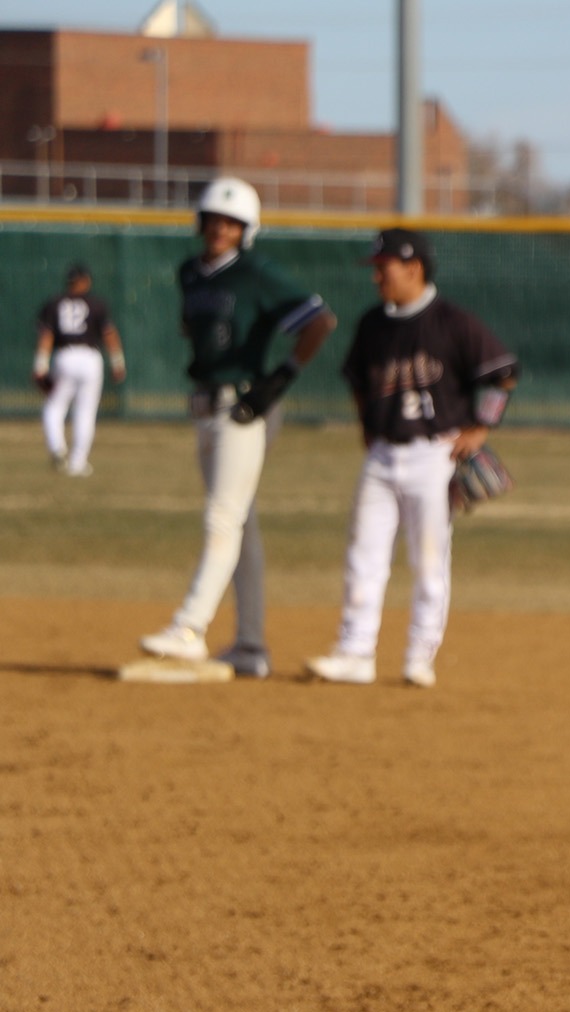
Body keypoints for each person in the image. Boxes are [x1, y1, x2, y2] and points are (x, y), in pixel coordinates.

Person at [138, 177, 337, 677]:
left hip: (245, 405)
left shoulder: (256, 273)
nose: (220, 229)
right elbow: (196, 330)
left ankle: (190, 627)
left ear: (247, 229)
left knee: (221, 518)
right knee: (240, 527)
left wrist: (280, 378)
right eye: (214, 220)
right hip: (205, 405)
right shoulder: (192, 274)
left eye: (232, 223)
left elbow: (319, 320)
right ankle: (250, 646)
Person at [304, 228, 519, 689]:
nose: (376, 276)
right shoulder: (371, 325)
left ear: (414, 267)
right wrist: (367, 431)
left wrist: (481, 428)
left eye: (384, 268)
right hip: (382, 455)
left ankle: (420, 656)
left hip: (434, 454)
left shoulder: (452, 321)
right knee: (363, 556)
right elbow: (359, 385)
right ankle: (355, 652)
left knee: (428, 561)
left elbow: (503, 375)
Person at [34, 262, 127, 477]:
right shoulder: (96, 304)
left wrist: (40, 365)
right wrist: (118, 362)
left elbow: (46, 336)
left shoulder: (55, 303)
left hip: (65, 356)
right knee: (86, 411)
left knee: (54, 406)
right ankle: (78, 462)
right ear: (87, 281)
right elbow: (110, 335)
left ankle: (57, 448)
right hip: (90, 357)